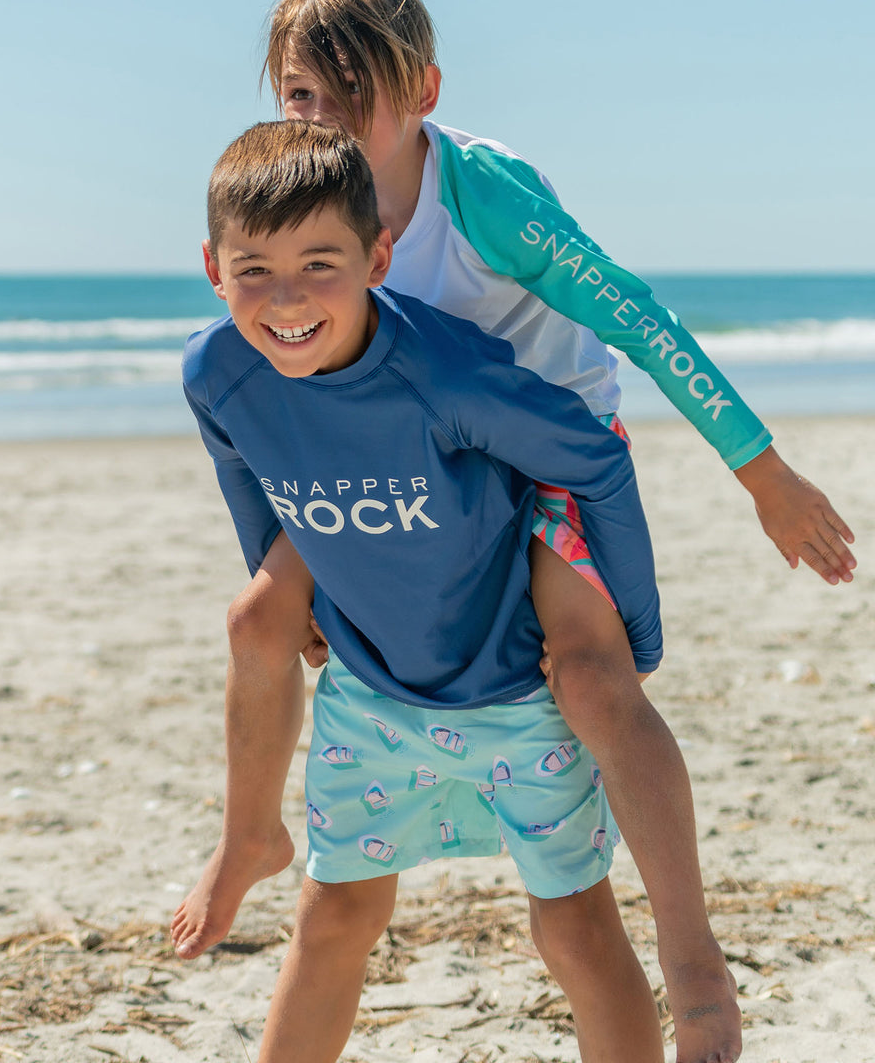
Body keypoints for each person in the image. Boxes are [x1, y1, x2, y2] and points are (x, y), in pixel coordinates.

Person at [175, 0, 855, 1060]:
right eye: (303, 94)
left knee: (586, 678)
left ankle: (693, 968)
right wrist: (294, 573)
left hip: (548, 454)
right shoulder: (298, 212)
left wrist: (761, 473)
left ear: (425, 89)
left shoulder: (486, 202)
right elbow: (259, 425)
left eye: (359, 91)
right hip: (397, 454)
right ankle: (250, 831)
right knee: (258, 615)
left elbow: (633, 315)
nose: (328, 119)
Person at [181, 119, 676, 1061]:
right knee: (331, 923)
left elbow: (596, 465)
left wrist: (635, 636)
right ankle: (250, 837)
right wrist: (299, 595)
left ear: (378, 255)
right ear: (214, 266)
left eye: (318, 263)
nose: (285, 299)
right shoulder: (217, 369)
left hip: (516, 691)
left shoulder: (450, 377)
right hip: (369, 696)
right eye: (253, 270)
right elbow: (245, 469)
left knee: (573, 931)